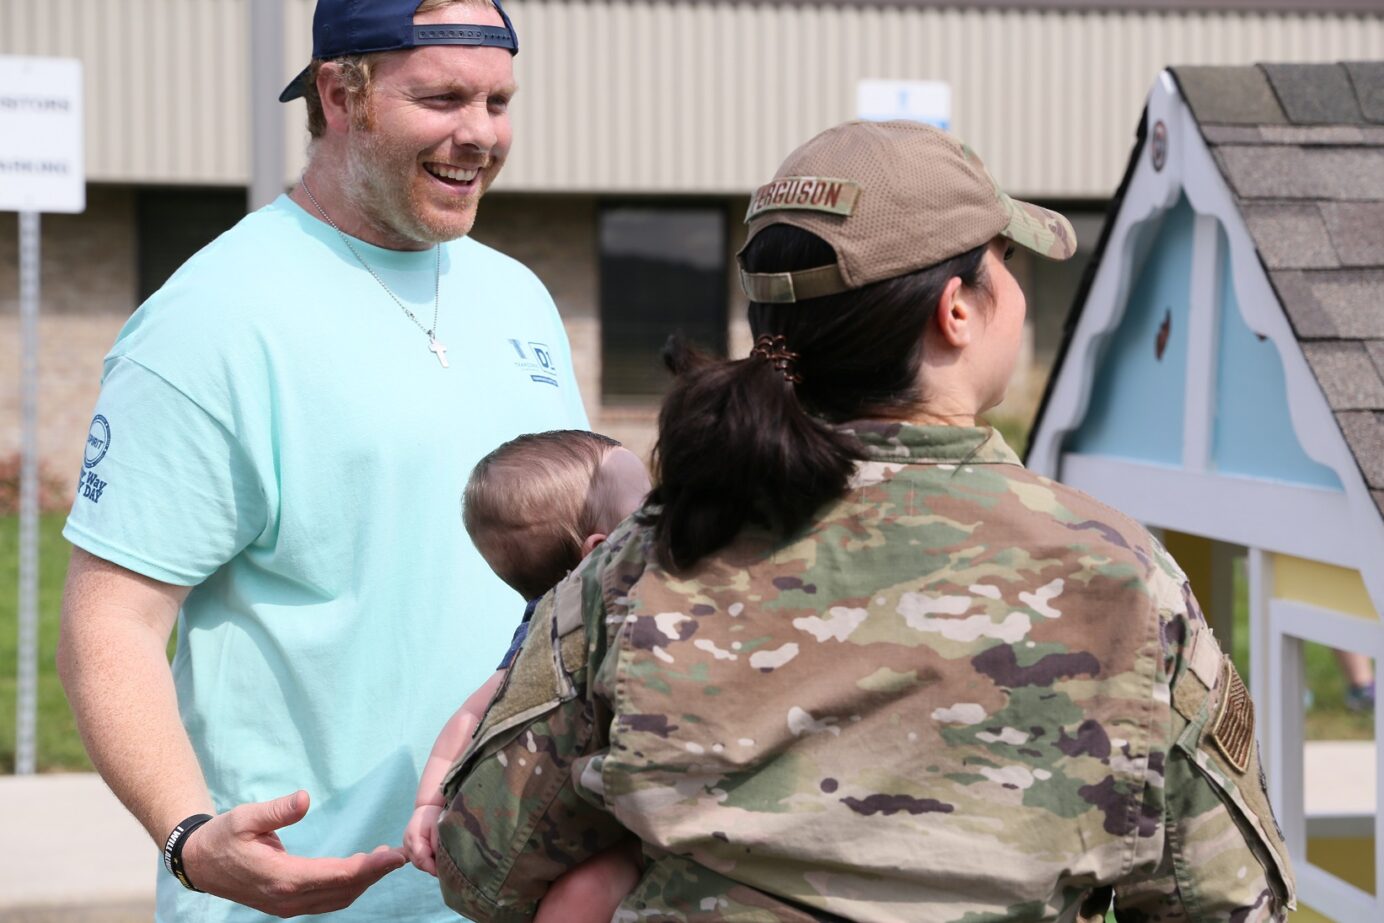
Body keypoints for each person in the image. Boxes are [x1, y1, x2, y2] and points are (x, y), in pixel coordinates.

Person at [434, 121, 1297, 922]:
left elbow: (484, 861)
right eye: (1005, 261)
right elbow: (1229, 899)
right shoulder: (1119, 578)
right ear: (956, 308)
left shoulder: (645, 559)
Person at [55, 1, 588, 920]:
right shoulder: (212, 321)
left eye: (499, 101)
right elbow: (109, 627)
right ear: (343, 94)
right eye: (445, 98)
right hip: (300, 902)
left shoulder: (521, 298)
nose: (481, 135)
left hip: (513, 891)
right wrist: (189, 835)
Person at [403, 430, 650, 921]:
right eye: (649, 508)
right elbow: (474, 713)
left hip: (596, 803)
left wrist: (426, 805)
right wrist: (429, 805)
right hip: (585, 819)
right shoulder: (558, 631)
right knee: (586, 892)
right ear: (603, 551)